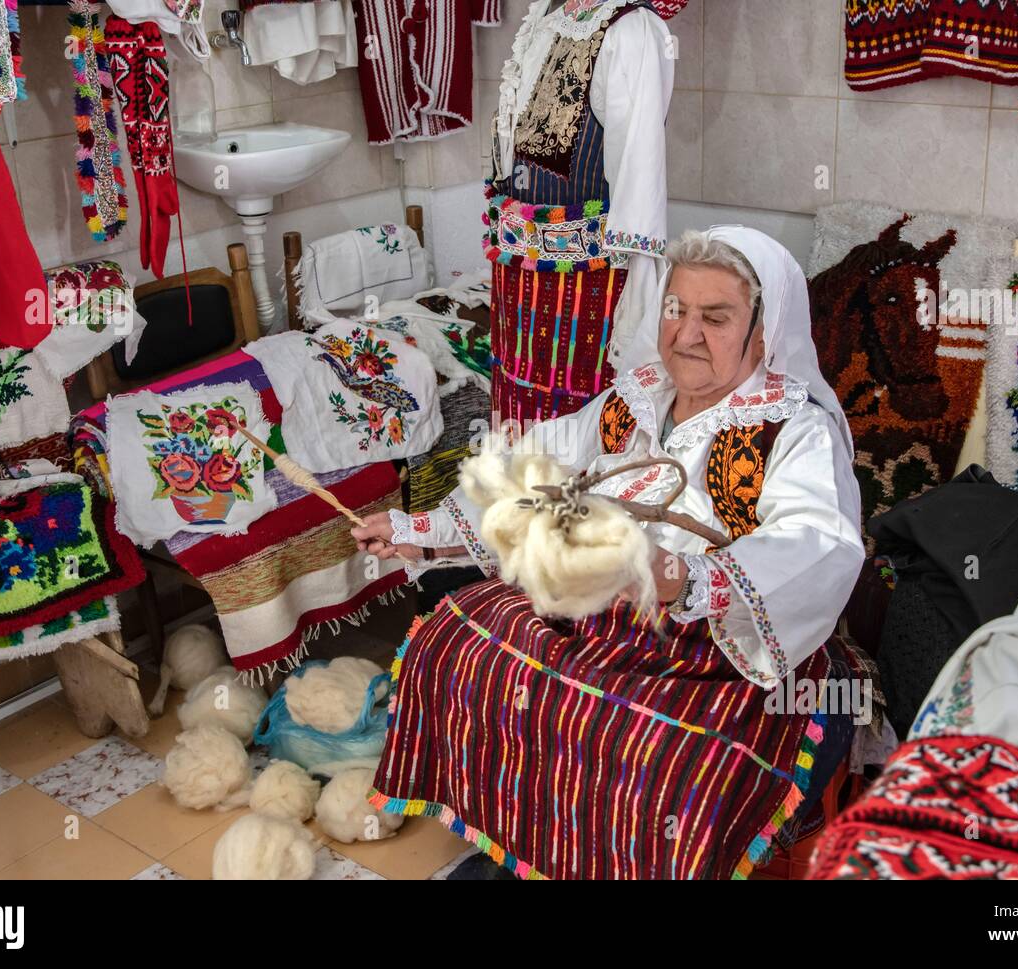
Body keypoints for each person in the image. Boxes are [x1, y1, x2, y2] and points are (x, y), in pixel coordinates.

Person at [351, 227, 867, 879]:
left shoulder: (797, 430)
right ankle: (527, 851)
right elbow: (536, 466)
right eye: (677, 310)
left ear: (765, 332)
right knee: (455, 641)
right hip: (599, 619)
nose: (686, 334)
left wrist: (680, 576)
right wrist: (421, 528)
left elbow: (819, 546)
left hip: (713, 655)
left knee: (651, 753)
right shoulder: (640, 394)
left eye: (716, 317)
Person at [484, 0, 680, 429]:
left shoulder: (631, 30)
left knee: (576, 431)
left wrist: (637, 313)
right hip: (516, 281)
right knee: (517, 419)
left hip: (586, 292)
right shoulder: (547, 15)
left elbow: (639, 182)